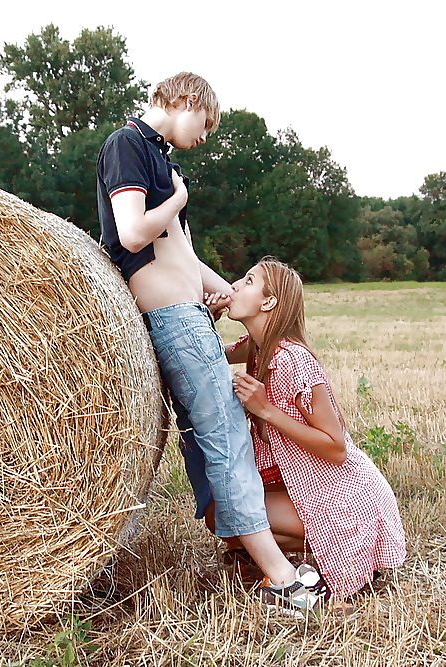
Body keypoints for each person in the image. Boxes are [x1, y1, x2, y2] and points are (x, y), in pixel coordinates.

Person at [96, 73, 324, 616]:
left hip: (188, 312)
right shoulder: (128, 144)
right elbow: (132, 234)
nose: (206, 134)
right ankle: (280, 579)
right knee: (228, 442)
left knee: (217, 441)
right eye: (207, 122)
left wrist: (222, 289)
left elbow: (178, 255)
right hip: (174, 318)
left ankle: (253, 558)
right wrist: (177, 199)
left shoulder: (153, 154)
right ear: (185, 101)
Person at [210, 257, 407, 612]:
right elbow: (209, 358)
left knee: (233, 513)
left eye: (249, 281)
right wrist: (208, 318)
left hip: (346, 496)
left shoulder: (294, 360)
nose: (235, 285)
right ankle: (301, 556)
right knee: (219, 514)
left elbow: (335, 448)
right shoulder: (256, 347)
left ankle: (331, 559)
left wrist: (265, 409)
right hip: (316, 488)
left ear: (268, 302)